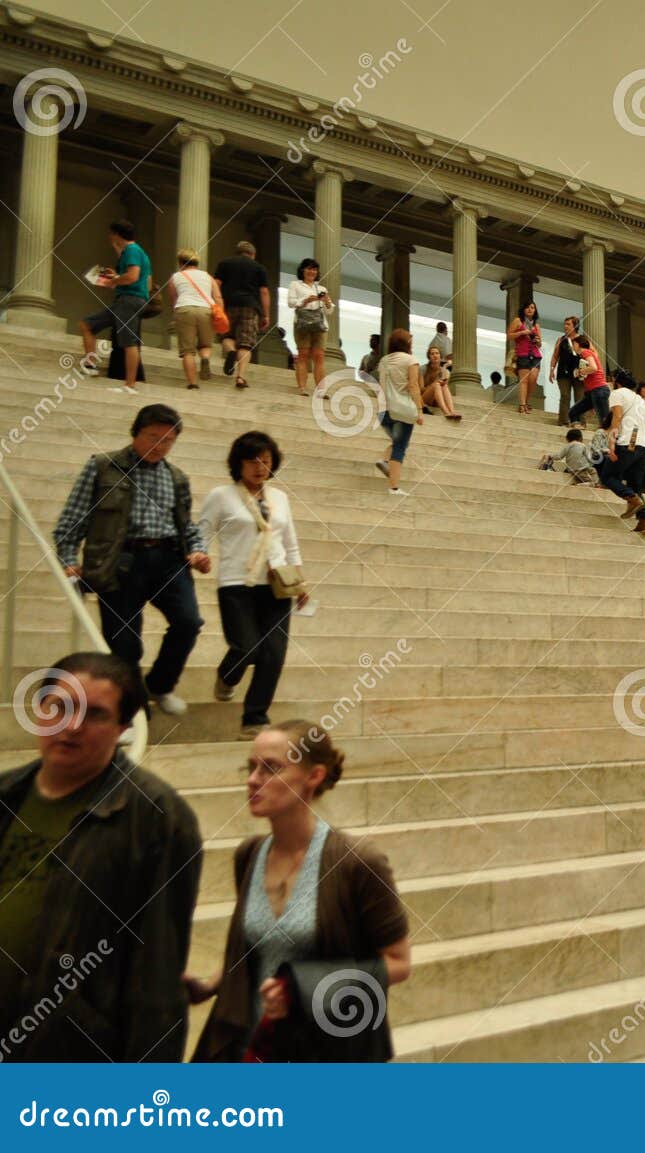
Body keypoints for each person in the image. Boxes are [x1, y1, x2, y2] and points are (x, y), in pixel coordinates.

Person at [0, 652, 202, 1060]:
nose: (71, 725)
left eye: (94, 714)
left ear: (123, 728)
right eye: (60, 706)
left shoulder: (155, 817)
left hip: (71, 1054)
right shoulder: (6, 794)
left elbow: (158, 970)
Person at [188, 723, 411, 1061]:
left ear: (314, 776)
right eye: (251, 767)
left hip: (324, 1054)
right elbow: (255, 949)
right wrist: (209, 986)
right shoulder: (250, 854)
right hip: (255, 1049)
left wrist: (300, 989)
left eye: (271, 768)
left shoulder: (357, 862)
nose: (253, 780)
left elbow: (398, 963)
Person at [53, 404, 209, 714]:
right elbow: (72, 520)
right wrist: (69, 560)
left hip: (168, 559)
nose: (159, 445)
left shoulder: (177, 477)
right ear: (135, 432)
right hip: (120, 561)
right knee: (124, 642)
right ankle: (132, 712)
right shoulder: (103, 466)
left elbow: (186, 525)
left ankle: (160, 685)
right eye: (152, 437)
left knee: (188, 622)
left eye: (168, 440)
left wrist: (198, 549)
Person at [198, 431, 307, 739]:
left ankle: (255, 718)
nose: (260, 467)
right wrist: (199, 554)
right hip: (237, 583)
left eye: (266, 461)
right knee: (246, 647)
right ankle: (227, 675)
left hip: (276, 583)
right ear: (239, 463)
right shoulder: (221, 496)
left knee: (273, 653)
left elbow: (290, 542)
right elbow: (202, 533)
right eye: (253, 461)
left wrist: (300, 581)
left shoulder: (279, 498)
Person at [78, 218, 152, 394]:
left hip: (128, 300)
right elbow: (146, 282)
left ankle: (130, 385)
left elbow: (132, 276)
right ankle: (90, 365)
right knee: (87, 324)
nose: (110, 237)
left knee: (129, 342)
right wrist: (117, 275)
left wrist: (113, 281)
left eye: (112, 234)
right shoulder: (136, 252)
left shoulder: (132, 250)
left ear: (117, 234)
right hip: (128, 301)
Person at [600, 375, 645, 538]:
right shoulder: (640, 400)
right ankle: (644, 520)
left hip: (629, 442)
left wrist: (611, 443)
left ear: (617, 382)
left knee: (607, 476)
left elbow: (617, 417)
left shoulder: (617, 393)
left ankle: (631, 498)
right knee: (635, 485)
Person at [214, 239, 271, 389]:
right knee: (246, 344)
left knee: (226, 336)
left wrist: (215, 304)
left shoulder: (225, 263)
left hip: (228, 305)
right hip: (250, 307)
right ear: (253, 254)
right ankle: (240, 377)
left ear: (237, 252)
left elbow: (216, 284)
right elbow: (264, 291)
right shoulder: (259, 268)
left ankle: (231, 351)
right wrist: (266, 314)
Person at [374, 328, 424, 497]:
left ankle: (384, 460)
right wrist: (419, 410)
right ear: (407, 343)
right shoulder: (411, 360)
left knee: (399, 442)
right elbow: (413, 386)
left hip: (383, 410)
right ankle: (394, 487)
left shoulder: (383, 361)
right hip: (401, 410)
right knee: (400, 447)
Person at [165, 247, 219, 389]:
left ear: (180, 262)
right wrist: (219, 313)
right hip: (206, 310)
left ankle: (193, 383)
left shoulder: (175, 277)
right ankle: (205, 358)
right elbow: (218, 297)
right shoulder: (207, 276)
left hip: (184, 309)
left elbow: (174, 299)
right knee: (205, 345)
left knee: (187, 351)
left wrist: (176, 316)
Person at [287, 258, 333, 396]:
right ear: (303, 270)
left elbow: (329, 311)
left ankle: (321, 390)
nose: (312, 272)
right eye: (309, 268)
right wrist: (306, 300)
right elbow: (291, 303)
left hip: (320, 324)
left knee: (319, 356)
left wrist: (327, 302)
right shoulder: (295, 284)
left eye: (314, 269)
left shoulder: (322, 289)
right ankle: (302, 387)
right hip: (302, 323)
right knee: (303, 354)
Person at [566, 334, 609, 429]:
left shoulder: (585, 352)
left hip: (598, 389)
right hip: (593, 391)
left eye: (574, 344)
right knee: (573, 412)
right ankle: (578, 428)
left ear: (578, 344)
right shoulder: (586, 354)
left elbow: (593, 368)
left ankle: (610, 435)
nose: (572, 346)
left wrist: (580, 372)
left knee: (605, 421)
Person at [546, 316, 582, 420]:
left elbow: (593, 353)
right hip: (563, 372)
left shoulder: (582, 339)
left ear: (575, 326)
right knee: (565, 396)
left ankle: (579, 421)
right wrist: (551, 370)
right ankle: (563, 420)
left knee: (579, 398)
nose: (565, 326)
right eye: (565, 324)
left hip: (579, 372)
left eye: (568, 324)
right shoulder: (561, 339)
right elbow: (555, 356)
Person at [509, 302, 542, 413]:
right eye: (527, 307)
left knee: (533, 379)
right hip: (522, 353)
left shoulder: (536, 325)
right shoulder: (518, 321)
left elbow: (540, 344)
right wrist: (522, 332)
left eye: (532, 307)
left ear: (535, 311)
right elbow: (509, 335)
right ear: (523, 309)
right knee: (524, 380)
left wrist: (537, 341)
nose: (530, 309)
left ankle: (527, 402)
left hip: (535, 355)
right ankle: (522, 404)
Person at [420, 345, 462, 420]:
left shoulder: (444, 370)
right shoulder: (423, 368)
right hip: (425, 398)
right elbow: (421, 389)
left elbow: (444, 385)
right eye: (432, 354)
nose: (435, 355)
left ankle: (452, 411)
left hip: (436, 400)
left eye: (437, 353)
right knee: (437, 385)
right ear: (429, 357)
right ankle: (446, 412)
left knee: (444, 386)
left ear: (440, 356)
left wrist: (445, 367)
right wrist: (433, 385)